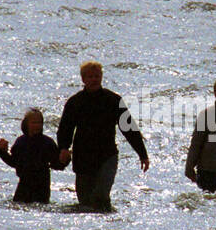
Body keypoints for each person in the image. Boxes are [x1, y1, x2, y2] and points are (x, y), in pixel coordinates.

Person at [57, 61, 150, 211]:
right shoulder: (75, 102)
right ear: (83, 79)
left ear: (101, 77)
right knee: (85, 204)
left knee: (101, 197)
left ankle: (110, 227)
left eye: (97, 76)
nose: (94, 79)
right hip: (82, 158)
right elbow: (65, 128)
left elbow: (129, 129)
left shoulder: (113, 100)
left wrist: (142, 154)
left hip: (107, 156)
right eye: (90, 77)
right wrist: (63, 148)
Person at [0, 108, 67, 203]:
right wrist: (1, 151)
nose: (37, 126)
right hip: (24, 184)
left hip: (42, 185)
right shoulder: (20, 142)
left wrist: (65, 160)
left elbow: (56, 165)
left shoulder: (48, 142)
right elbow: (14, 162)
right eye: (33, 123)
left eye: (39, 123)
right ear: (26, 124)